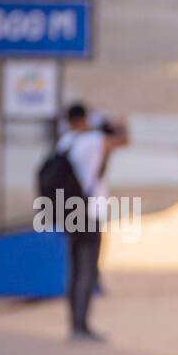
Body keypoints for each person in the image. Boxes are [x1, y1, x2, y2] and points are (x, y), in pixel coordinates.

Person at [55, 102, 128, 341]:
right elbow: (122, 140)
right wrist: (116, 125)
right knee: (87, 269)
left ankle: (73, 323)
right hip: (89, 212)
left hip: (68, 210)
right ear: (84, 119)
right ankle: (81, 327)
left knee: (74, 268)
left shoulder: (65, 142)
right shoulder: (93, 141)